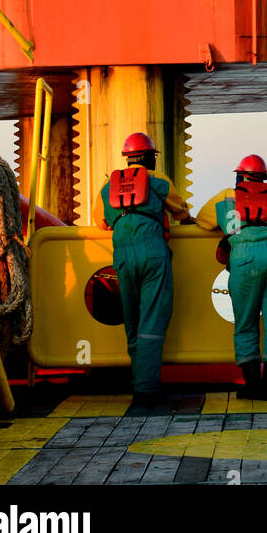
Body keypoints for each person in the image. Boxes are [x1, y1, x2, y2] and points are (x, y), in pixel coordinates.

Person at [196, 156, 267, 399]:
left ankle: (252, 385)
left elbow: (202, 221)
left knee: (245, 323)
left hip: (244, 259)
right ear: (264, 179)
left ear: (240, 176)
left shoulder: (225, 197)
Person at [94, 132, 192, 410]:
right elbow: (181, 210)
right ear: (149, 157)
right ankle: (147, 391)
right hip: (152, 252)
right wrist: (183, 218)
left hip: (123, 254)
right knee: (152, 320)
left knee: (133, 321)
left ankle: (140, 382)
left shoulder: (107, 186)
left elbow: (101, 222)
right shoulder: (159, 181)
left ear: (126, 159)